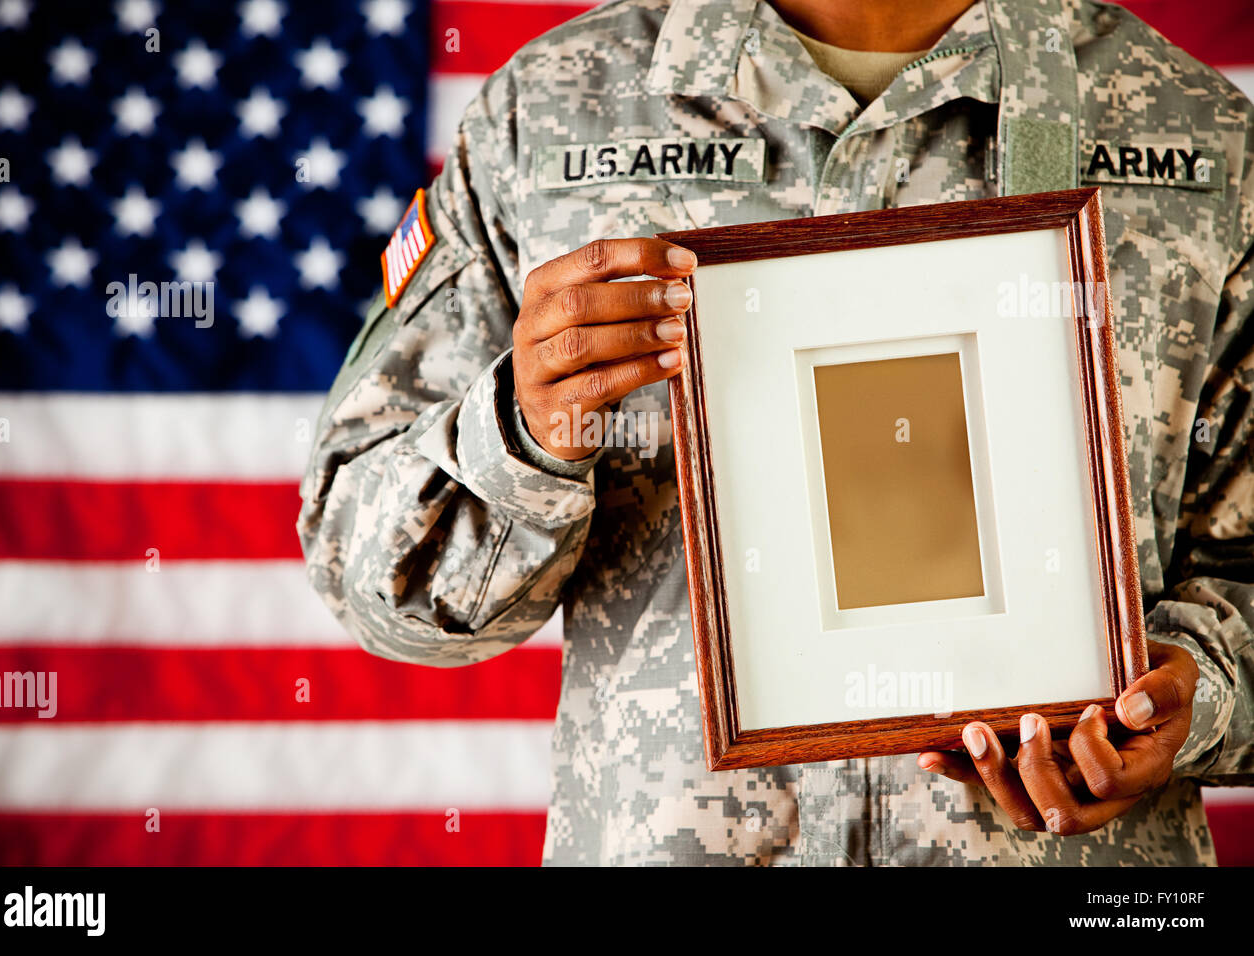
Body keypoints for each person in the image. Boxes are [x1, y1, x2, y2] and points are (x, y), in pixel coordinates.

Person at [298, 0, 1254, 864]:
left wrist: (1190, 697)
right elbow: (365, 567)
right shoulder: (551, 111)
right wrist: (521, 429)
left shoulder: (1197, 132)